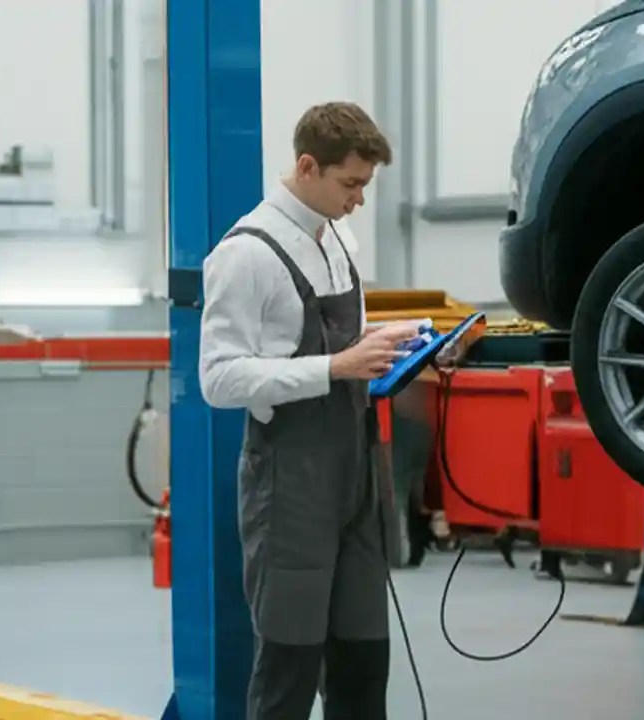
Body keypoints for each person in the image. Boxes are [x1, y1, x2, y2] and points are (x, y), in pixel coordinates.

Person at [198, 101, 416, 719]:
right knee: (289, 667)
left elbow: (352, 346)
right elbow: (217, 378)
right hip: (288, 488)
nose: (358, 201)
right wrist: (336, 367)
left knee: (364, 663)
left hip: (354, 478)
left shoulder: (337, 237)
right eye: (350, 184)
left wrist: (398, 350)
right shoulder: (247, 254)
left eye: (366, 186)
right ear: (307, 166)